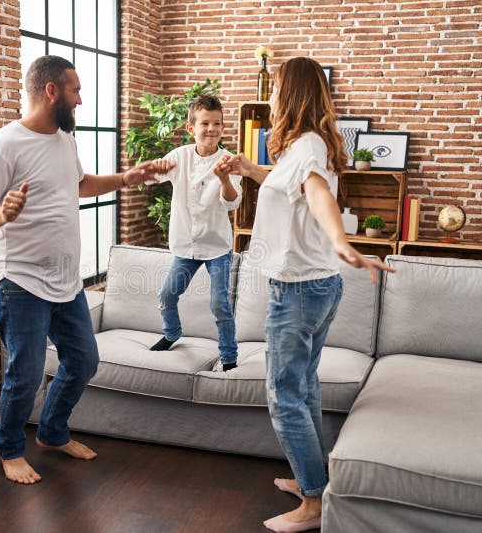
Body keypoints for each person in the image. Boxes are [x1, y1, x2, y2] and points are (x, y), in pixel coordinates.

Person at [218, 57, 395, 532]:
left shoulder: (309, 147)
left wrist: (343, 242)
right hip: (315, 287)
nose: (271, 97)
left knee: (284, 395)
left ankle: (313, 503)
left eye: (275, 89)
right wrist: (251, 169)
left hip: (299, 292)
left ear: (291, 94)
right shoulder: (299, 147)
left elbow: (318, 196)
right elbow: (292, 186)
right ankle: (311, 479)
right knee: (305, 387)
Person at [0, 55, 163, 485]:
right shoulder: (3, 144)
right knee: (26, 371)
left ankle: (52, 433)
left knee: (83, 359)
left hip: (64, 280)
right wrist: (2, 213)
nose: (81, 99)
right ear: (51, 91)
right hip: (18, 279)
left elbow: (78, 185)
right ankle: (11, 449)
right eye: (75, 90)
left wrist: (127, 178)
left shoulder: (63, 141)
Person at [148, 95, 242, 371]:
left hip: (217, 248)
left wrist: (224, 178)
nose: (211, 129)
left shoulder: (228, 161)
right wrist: (155, 168)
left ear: (223, 128)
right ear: (192, 129)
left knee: (220, 304)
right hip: (185, 246)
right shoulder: (180, 156)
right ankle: (172, 333)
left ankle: (229, 357)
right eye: (205, 123)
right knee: (166, 295)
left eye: (217, 124)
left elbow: (232, 202)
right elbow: (155, 176)